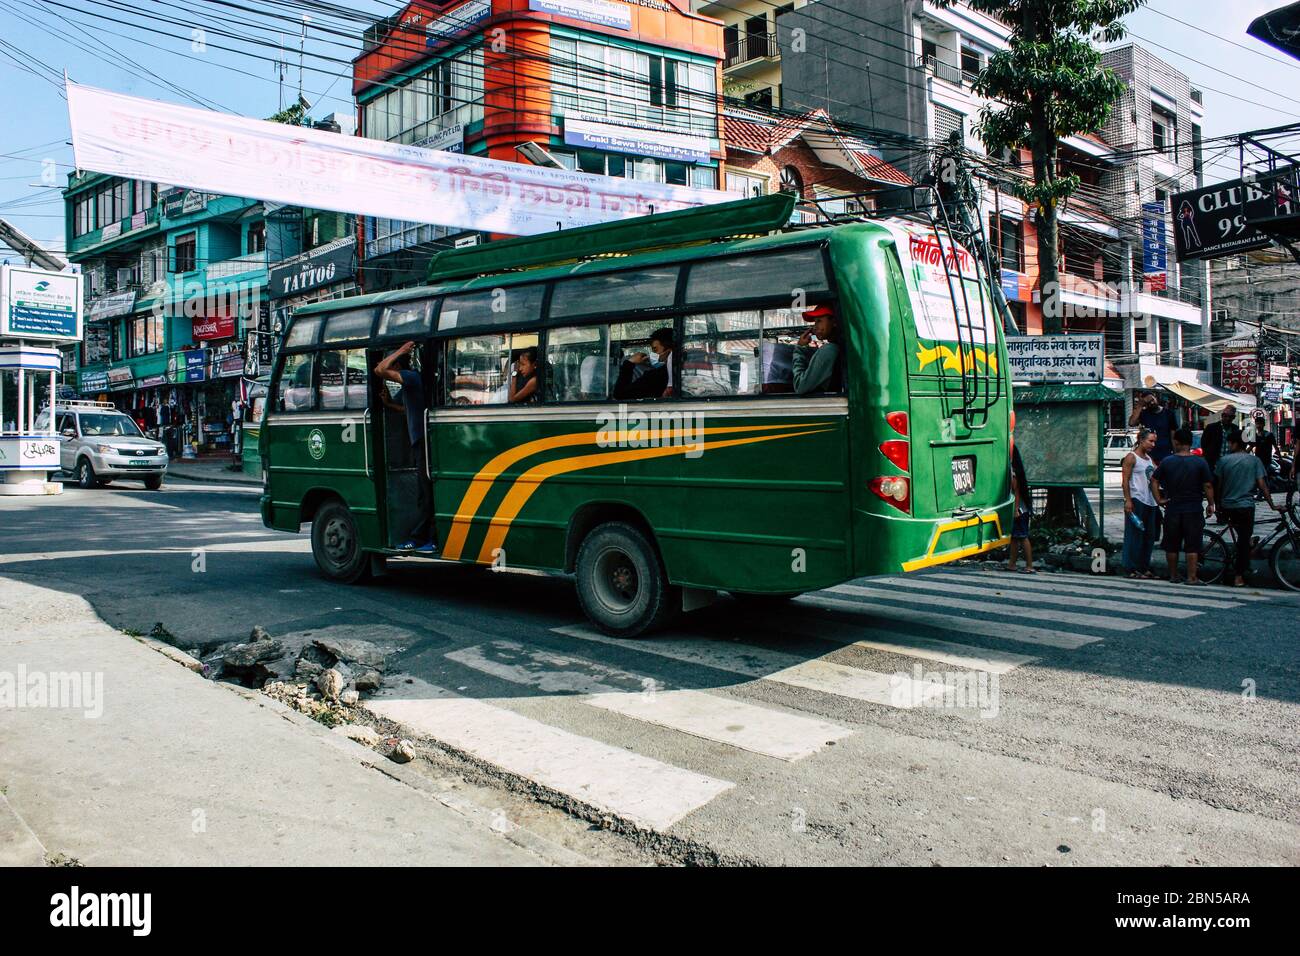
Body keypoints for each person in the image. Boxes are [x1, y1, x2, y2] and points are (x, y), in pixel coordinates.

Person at [373, 341, 435, 553]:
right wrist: (389, 404)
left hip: (423, 441)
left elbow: (379, 369)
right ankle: (424, 537)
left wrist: (400, 350)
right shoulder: (410, 383)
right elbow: (404, 407)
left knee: (426, 492)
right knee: (423, 491)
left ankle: (423, 538)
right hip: (418, 441)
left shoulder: (411, 377)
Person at [1216, 431, 1281, 587]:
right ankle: (1239, 575)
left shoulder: (1224, 461)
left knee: (1243, 536)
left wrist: (1216, 504)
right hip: (1245, 506)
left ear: (1235, 444)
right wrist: (1272, 505)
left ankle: (1247, 552)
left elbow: (1217, 484)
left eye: (1230, 443)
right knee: (1243, 542)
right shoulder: (1254, 461)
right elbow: (1262, 485)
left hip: (1227, 505)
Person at [1152, 427, 1215, 585]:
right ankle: (1191, 577)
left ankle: (1173, 576)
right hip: (1193, 508)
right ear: (1190, 442)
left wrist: (1159, 499)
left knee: (1172, 544)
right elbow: (1208, 485)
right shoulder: (1200, 462)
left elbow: (1154, 480)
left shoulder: (1167, 461)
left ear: (1177, 442)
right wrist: (1211, 503)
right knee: (1192, 545)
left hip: (1172, 508)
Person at [1120, 428, 1160, 579]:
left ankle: (1144, 566)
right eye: (1150, 441)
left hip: (1150, 501)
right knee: (1134, 535)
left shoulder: (1149, 459)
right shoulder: (1131, 457)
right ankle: (1131, 567)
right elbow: (1125, 481)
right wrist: (1128, 500)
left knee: (1148, 536)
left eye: (1154, 441)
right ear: (1141, 440)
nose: (1153, 444)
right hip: (1137, 499)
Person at [613, 327, 674, 400]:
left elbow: (619, 394)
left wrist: (630, 363)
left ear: (669, 350)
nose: (652, 354)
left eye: (655, 350)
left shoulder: (654, 377)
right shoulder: (676, 373)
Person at [1128, 391, 1178, 463]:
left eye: (1152, 400)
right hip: (1149, 454)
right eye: (1148, 402)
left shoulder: (1169, 414)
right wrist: (1140, 406)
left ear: (1156, 398)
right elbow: (1131, 423)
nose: (1151, 403)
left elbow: (1173, 436)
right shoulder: (1144, 414)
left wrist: (1175, 454)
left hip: (1166, 453)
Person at [1007, 442, 1035, 573]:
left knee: (1022, 537)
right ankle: (1011, 564)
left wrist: (1015, 509)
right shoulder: (1016, 470)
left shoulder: (1013, 472)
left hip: (1019, 510)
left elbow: (1016, 492)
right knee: (1014, 537)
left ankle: (1029, 566)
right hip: (1020, 509)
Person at [1199, 403, 1237, 475]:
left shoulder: (1235, 429)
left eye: (1230, 417)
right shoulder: (1211, 427)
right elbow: (1204, 444)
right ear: (1222, 415)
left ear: (1233, 417)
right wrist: (1209, 459)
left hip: (1230, 465)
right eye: (1225, 416)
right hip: (1214, 464)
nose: (1227, 418)